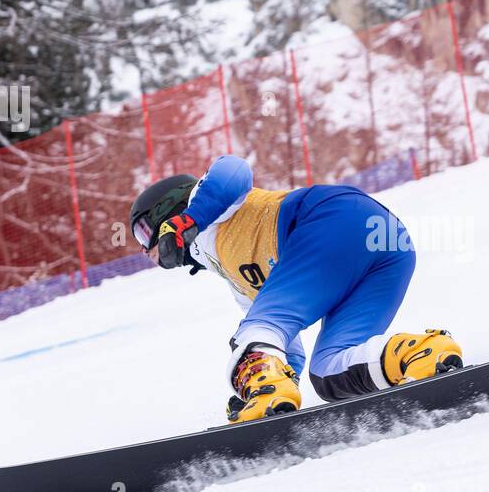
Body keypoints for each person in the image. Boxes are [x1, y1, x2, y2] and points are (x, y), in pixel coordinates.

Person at [129, 155, 462, 422]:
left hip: (329, 218)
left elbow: (234, 170)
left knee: (256, 331)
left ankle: (268, 389)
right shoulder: (234, 276)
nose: (147, 251)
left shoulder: (204, 204)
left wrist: (187, 222)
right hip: (387, 246)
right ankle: (420, 354)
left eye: (145, 234)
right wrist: (279, 400)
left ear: (166, 210)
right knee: (329, 374)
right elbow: (283, 342)